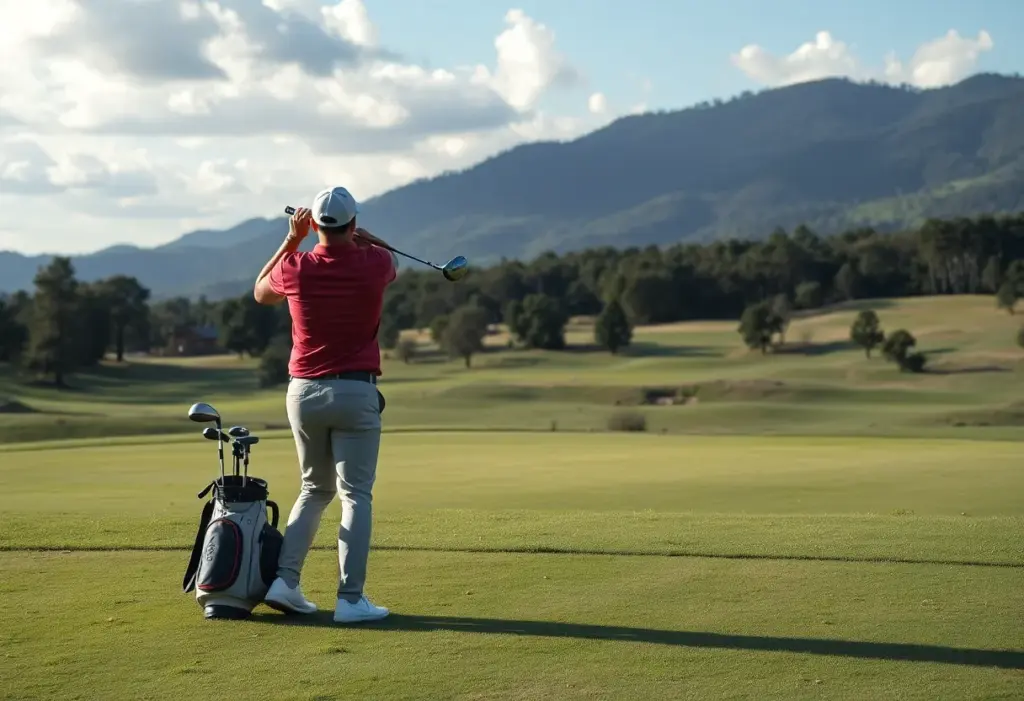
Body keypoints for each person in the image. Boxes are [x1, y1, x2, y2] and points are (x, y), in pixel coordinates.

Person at [252, 185, 398, 623]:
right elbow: (388, 255)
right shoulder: (374, 263)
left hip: (303, 392)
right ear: (353, 225)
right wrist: (358, 233)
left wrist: (293, 238)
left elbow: (261, 291)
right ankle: (350, 600)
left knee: (314, 490)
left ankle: (286, 582)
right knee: (355, 495)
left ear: (315, 224)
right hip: (355, 391)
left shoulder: (296, 266)